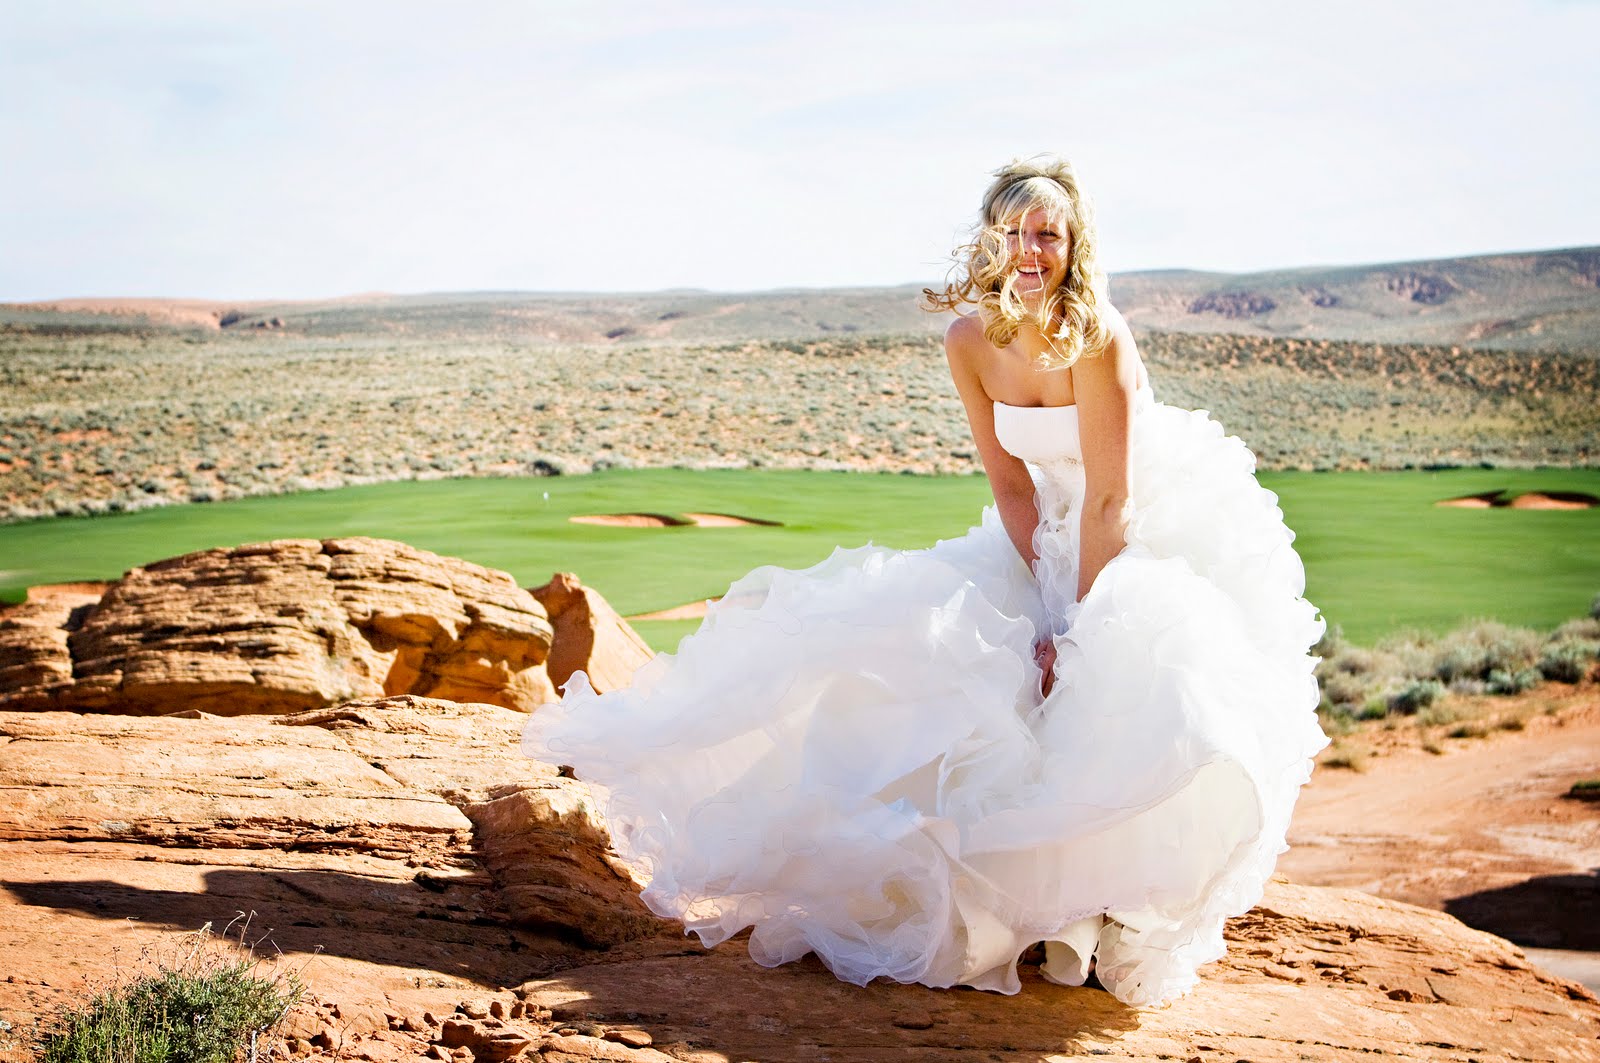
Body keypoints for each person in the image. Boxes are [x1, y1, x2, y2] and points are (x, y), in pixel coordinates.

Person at [523, 155, 1328, 1007]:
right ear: (991, 241)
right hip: (1039, 535)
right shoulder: (970, 341)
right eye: (1013, 232)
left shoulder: (1099, 337)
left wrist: (1080, 625)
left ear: (1071, 243)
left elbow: (1110, 502)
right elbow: (1013, 489)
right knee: (950, 660)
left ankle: (1115, 913)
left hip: (1124, 535)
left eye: (1046, 233)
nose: (1029, 249)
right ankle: (1029, 913)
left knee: (1130, 686)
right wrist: (1038, 605)